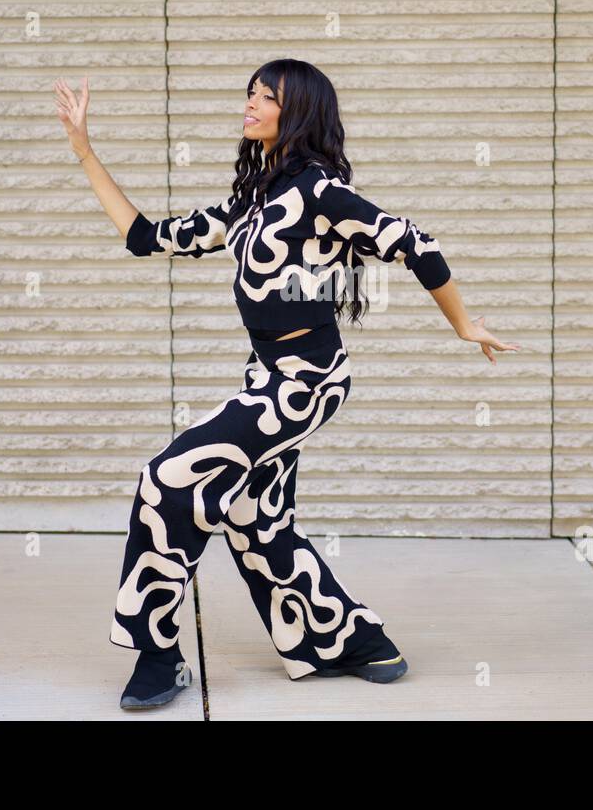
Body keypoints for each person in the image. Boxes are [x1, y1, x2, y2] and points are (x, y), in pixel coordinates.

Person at [54, 59, 519, 710]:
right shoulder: (251, 201)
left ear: (294, 113)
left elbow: (415, 242)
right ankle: (352, 640)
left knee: (168, 478)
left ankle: (158, 653)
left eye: (265, 97)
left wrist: (465, 324)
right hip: (266, 377)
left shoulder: (318, 191)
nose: (249, 103)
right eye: (248, 92)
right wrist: (83, 149)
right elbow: (143, 236)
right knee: (253, 517)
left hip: (307, 381)